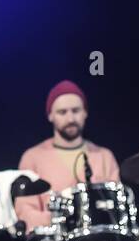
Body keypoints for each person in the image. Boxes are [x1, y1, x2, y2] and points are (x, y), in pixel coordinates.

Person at [15, 80, 120, 231]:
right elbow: (25, 212)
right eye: (62, 112)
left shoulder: (104, 156)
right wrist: (62, 219)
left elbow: (115, 207)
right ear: (50, 115)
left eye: (76, 111)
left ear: (85, 113)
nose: (70, 119)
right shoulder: (32, 158)